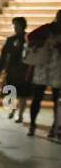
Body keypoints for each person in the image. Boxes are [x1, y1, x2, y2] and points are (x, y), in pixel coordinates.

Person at [25, 9, 61, 140]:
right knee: (42, 98)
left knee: (54, 99)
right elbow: (30, 37)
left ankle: (54, 127)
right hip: (46, 66)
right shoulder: (46, 29)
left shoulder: (47, 28)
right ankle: (36, 125)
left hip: (54, 67)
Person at [0, 17, 32, 123]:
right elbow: (3, 55)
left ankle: (20, 114)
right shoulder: (10, 40)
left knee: (22, 94)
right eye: (14, 25)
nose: (15, 28)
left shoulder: (28, 38)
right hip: (11, 70)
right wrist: (0, 69)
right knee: (11, 92)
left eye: (17, 25)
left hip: (23, 70)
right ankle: (12, 110)